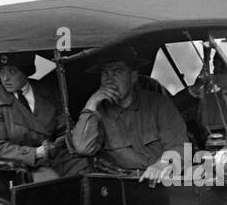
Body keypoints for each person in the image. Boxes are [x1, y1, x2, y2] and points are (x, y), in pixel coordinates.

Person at [70, 44, 189, 185]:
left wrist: (161, 165)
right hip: (120, 189)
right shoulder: (98, 112)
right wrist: (91, 103)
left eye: (117, 72)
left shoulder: (159, 105)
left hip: (161, 185)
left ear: (133, 76)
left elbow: (180, 146)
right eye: (104, 74)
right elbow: (82, 148)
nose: (109, 80)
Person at [0, 53, 85, 177]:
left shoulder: (47, 91)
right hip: (23, 167)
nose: (5, 78)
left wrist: (61, 141)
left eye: (12, 71)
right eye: (1, 71)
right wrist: (36, 153)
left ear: (26, 72)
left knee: (89, 169)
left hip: (57, 159)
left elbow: (64, 128)